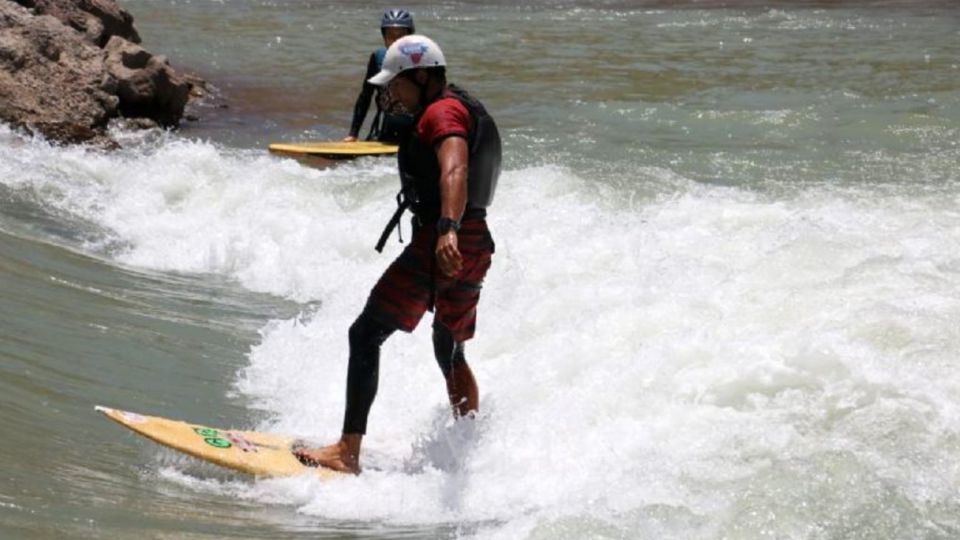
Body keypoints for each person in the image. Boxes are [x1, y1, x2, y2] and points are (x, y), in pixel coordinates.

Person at [295, 35, 502, 474]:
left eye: (396, 85)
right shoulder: (455, 104)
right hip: (476, 239)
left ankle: (347, 452)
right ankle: (468, 449)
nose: (388, 95)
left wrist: (446, 227)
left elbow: (455, 165)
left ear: (422, 77)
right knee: (448, 345)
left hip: (444, 240)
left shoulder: (442, 112)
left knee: (365, 334)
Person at [343, 9, 416, 143]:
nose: (396, 41)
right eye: (390, 36)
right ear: (384, 38)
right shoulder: (378, 58)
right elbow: (365, 96)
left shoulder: (422, 60)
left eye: (401, 36)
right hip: (386, 129)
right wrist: (353, 133)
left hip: (416, 130)